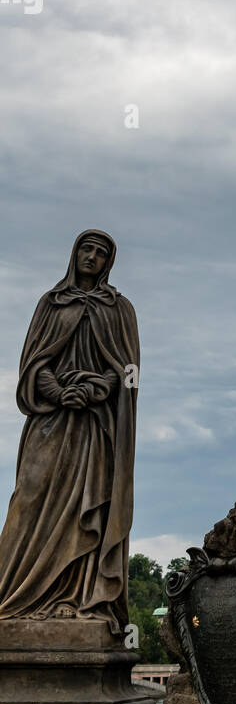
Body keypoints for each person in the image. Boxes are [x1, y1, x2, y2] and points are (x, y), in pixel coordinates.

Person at [0, 231, 140, 634]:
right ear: (74, 253)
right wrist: (59, 391)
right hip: (50, 421)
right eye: (86, 248)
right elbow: (33, 362)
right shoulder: (50, 303)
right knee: (29, 500)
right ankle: (15, 600)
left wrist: (96, 389)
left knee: (86, 509)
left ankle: (77, 598)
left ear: (108, 262)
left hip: (95, 428)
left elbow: (127, 371)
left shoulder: (119, 309)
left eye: (100, 253)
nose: (91, 257)